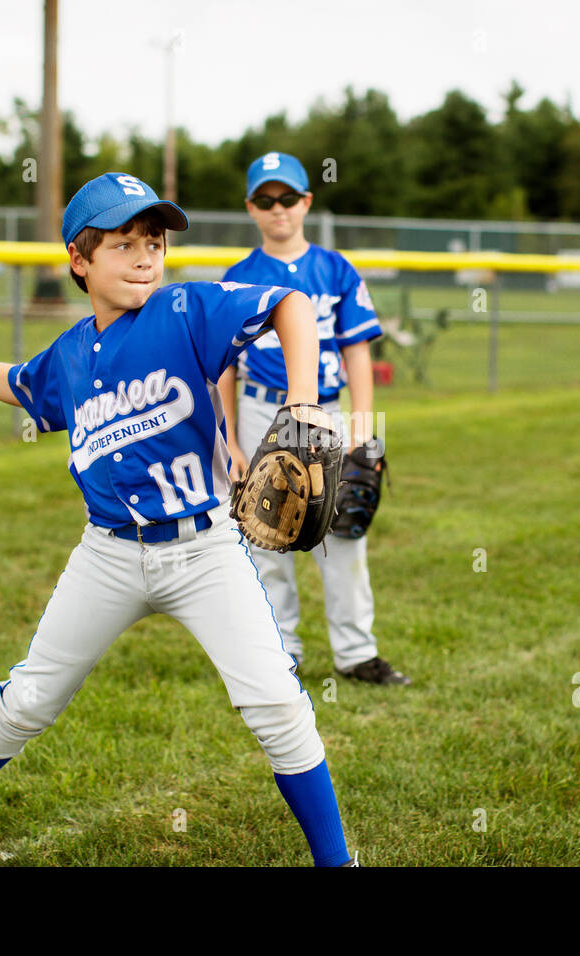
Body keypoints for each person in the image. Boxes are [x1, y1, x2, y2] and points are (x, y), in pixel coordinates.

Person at [0, 172, 357, 867]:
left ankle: (337, 862)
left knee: (277, 704)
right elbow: (19, 385)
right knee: (30, 697)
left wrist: (305, 404)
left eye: (154, 243)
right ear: (79, 259)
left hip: (204, 548)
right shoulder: (69, 354)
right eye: (124, 244)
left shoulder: (187, 309)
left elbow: (292, 305)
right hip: (108, 554)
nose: (144, 258)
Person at [218, 152, 409, 686]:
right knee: (266, 530)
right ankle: (281, 651)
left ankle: (355, 652)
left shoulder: (336, 269)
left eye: (287, 198)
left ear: (306, 202)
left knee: (344, 528)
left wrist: (365, 426)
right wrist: (229, 438)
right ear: (251, 208)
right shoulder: (238, 278)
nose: (276, 209)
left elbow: (357, 353)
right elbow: (224, 367)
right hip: (262, 406)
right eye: (264, 199)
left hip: (327, 411)